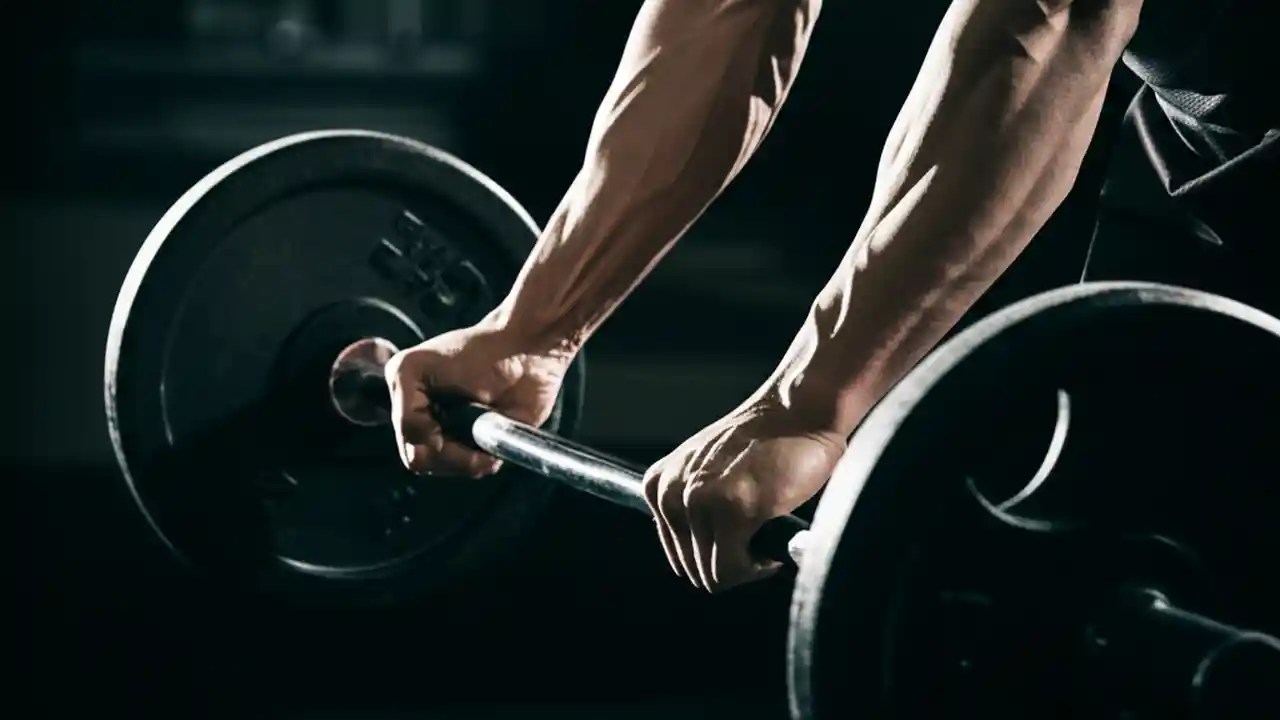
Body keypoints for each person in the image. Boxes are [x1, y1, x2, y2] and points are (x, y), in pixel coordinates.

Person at [385, 0, 1276, 593]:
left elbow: (1044, 25)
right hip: (1212, 130)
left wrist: (807, 405)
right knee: (1132, 566)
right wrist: (535, 328)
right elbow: (726, 18)